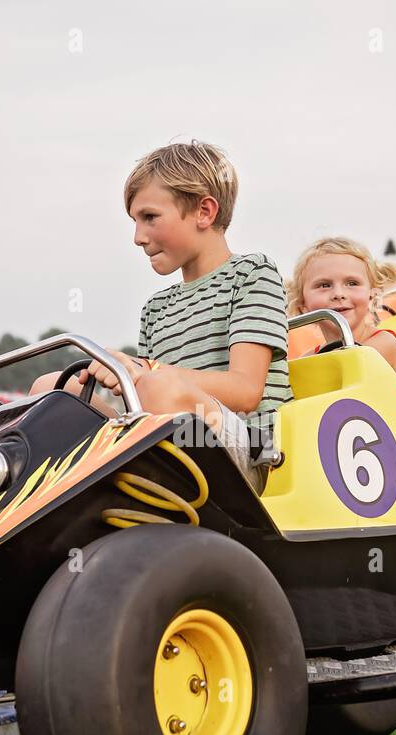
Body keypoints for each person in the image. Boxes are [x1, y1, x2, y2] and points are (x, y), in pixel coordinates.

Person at [29, 141, 291, 493]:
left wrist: (144, 370)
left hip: (251, 454)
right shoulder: (156, 307)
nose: (138, 237)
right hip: (168, 434)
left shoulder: (251, 274)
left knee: (156, 385)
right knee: (55, 388)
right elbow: (143, 399)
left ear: (204, 212)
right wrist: (120, 374)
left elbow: (245, 391)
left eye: (150, 218)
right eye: (135, 221)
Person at [285, 236, 396, 480]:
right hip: (365, 453)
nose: (338, 293)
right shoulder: (310, 358)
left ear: (372, 295)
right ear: (303, 303)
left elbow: (346, 369)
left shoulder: (382, 343)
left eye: (352, 283)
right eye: (324, 285)